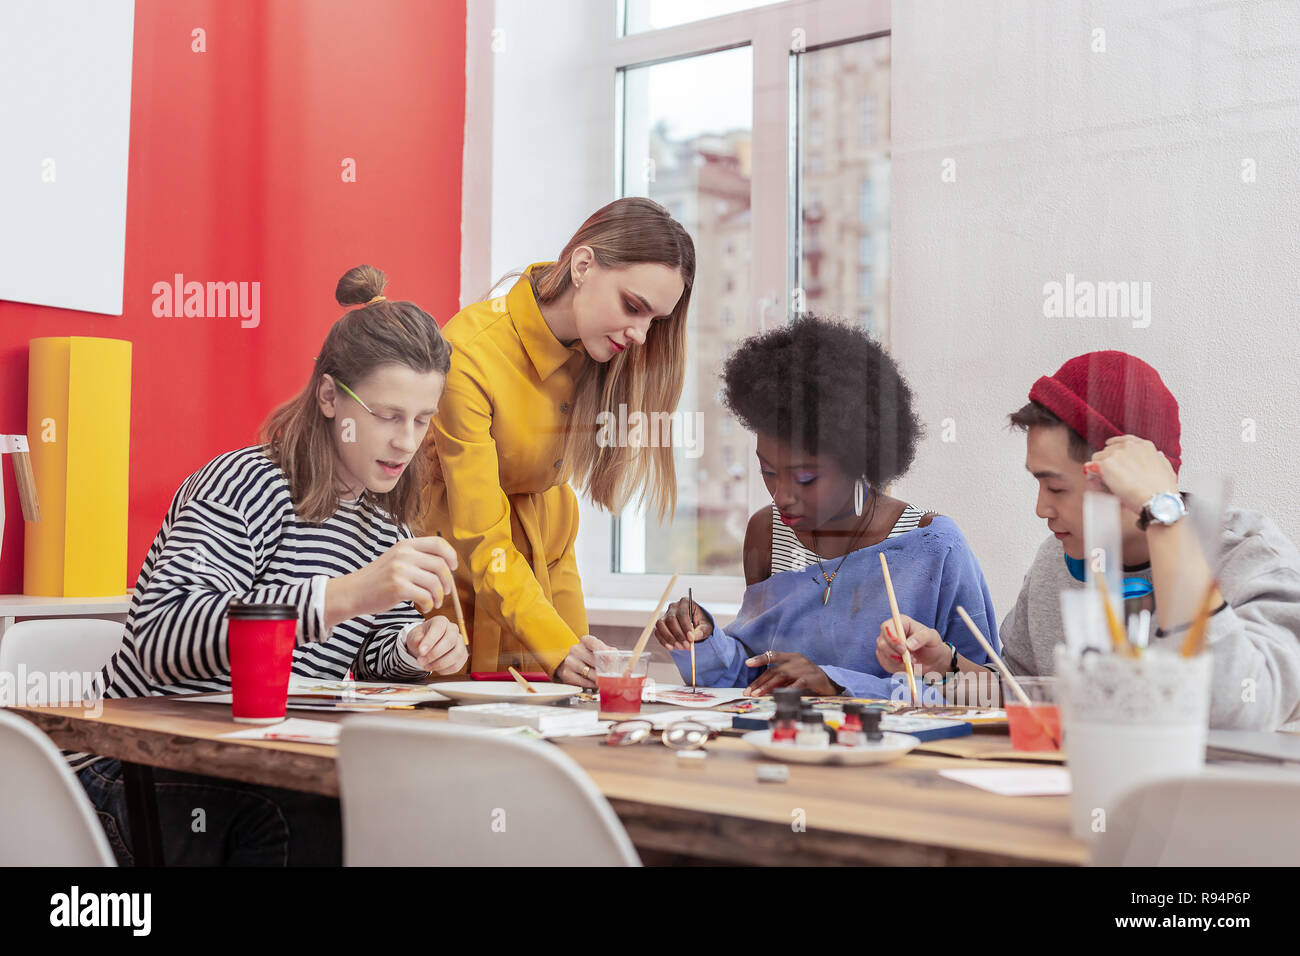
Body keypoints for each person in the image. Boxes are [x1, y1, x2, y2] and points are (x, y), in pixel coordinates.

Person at [72, 264, 466, 864]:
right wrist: (342, 596)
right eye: (388, 416)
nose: (407, 443)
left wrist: (414, 648)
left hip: (260, 760)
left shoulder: (382, 524)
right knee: (305, 821)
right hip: (132, 766)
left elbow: (368, 654)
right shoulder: (244, 483)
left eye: (422, 419)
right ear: (332, 397)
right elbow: (162, 634)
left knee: (405, 808)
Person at [882, 350, 1300, 730]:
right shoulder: (1055, 561)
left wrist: (1162, 515)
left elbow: (1237, 712)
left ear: (1125, 479)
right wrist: (946, 667)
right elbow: (1028, 696)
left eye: (1057, 489)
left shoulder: (1250, 557)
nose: (1041, 509)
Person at [419, 197, 696, 688]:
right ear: (583, 264)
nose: (640, 335)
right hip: (455, 578)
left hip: (544, 573)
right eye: (633, 307)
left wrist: (575, 647)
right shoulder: (469, 351)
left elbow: (554, 529)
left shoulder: (597, 352)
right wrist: (556, 644)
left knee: (583, 710)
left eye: (655, 320)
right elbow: (483, 538)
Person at [654, 314, 998, 699]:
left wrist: (839, 684)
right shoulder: (767, 535)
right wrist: (702, 639)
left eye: (805, 479)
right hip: (779, 749)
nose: (781, 495)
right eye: (767, 471)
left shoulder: (933, 548)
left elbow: (985, 693)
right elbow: (753, 678)